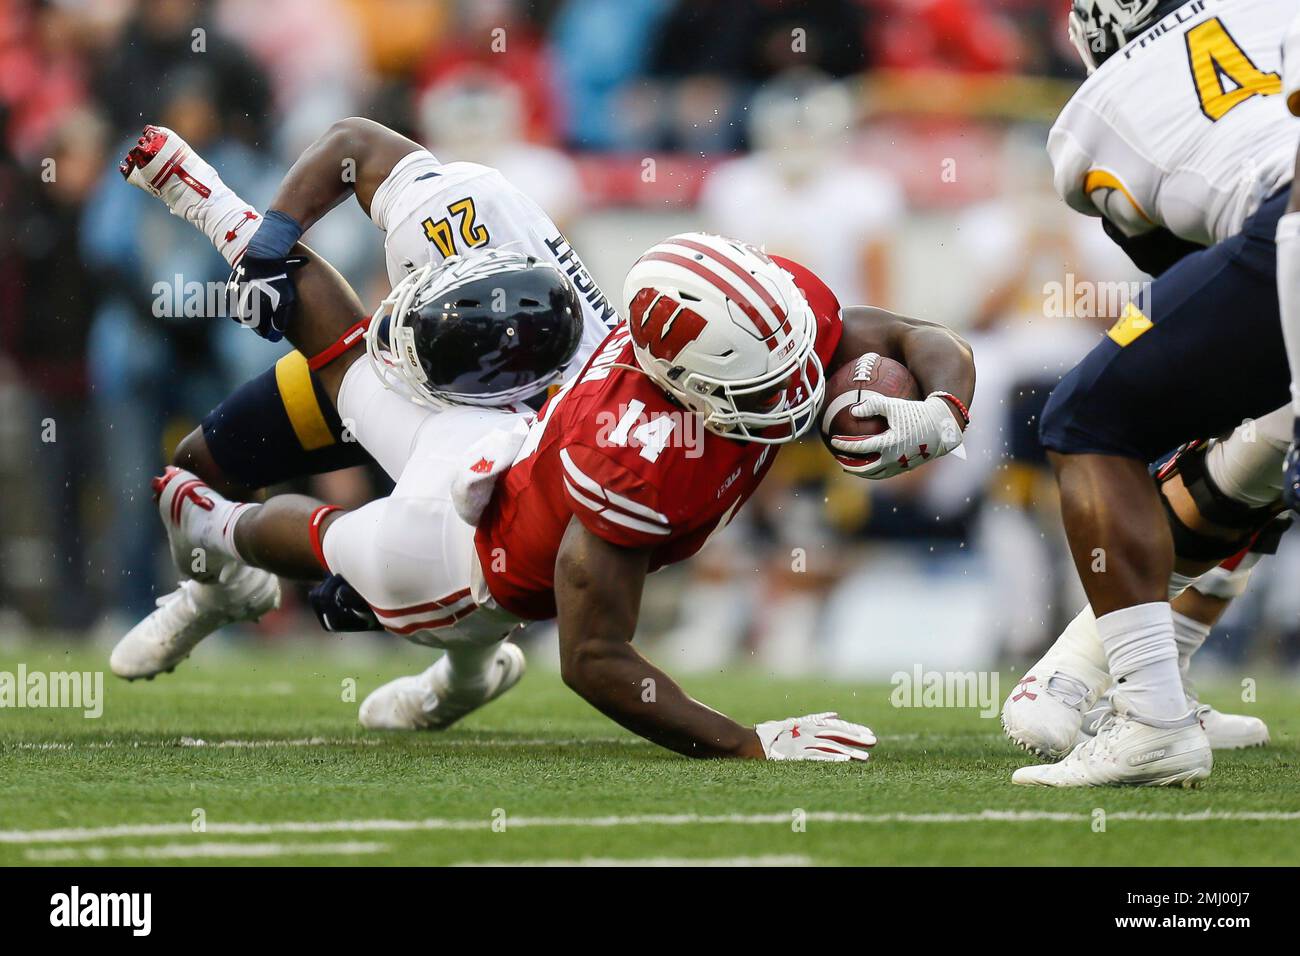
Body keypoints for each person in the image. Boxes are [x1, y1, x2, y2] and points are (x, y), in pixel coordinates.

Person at [113, 128, 978, 758]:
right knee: (345, 518)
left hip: (502, 435)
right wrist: (259, 238)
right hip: (470, 439)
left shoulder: (523, 246)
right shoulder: (635, 448)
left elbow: (905, 333)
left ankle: (443, 661)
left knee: (389, 523)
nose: (794, 399)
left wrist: (938, 408)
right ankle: (217, 562)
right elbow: (593, 651)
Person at [1021, 0, 1297, 787]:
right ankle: (1131, 678)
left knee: (1089, 418)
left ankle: (1151, 717)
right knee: (1264, 442)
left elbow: (1181, 270)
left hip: (1286, 222)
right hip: (1282, 219)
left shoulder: (1090, 121)